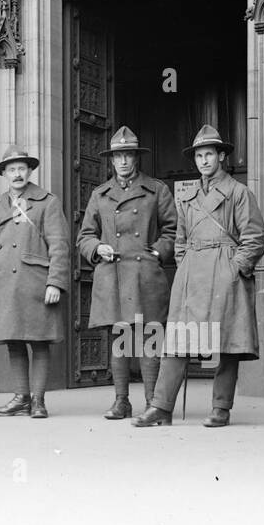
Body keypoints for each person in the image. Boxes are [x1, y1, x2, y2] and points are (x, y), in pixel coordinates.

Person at [134, 125, 264, 429]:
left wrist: (233, 270)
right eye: (199, 156)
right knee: (178, 342)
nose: (204, 161)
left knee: (227, 343)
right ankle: (161, 407)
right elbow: (180, 241)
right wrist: (185, 267)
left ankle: (221, 408)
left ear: (221, 156)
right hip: (192, 274)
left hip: (224, 272)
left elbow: (255, 238)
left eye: (209, 154)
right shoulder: (189, 197)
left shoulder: (238, 193)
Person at [75, 127, 177, 420]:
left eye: (128, 155)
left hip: (144, 274)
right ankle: (122, 401)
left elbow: (173, 230)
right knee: (120, 338)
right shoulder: (99, 194)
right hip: (114, 274)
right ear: (111, 160)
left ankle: (151, 402)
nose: (122, 161)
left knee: (147, 338)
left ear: (136, 158)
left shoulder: (156, 190)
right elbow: (84, 236)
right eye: (118, 156)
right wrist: (97, 248)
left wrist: (156, 252)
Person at [0, 146, 71, 418]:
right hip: (3, 285)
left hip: (35, 284)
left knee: (38, 342)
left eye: (22, 168)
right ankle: (21, 397)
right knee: (13, 342)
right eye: (11, 169)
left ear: (30, 171)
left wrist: (55, 282)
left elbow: (59, 246)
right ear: (4, 174)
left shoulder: (47, 202)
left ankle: (38, 401)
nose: (17, 174)